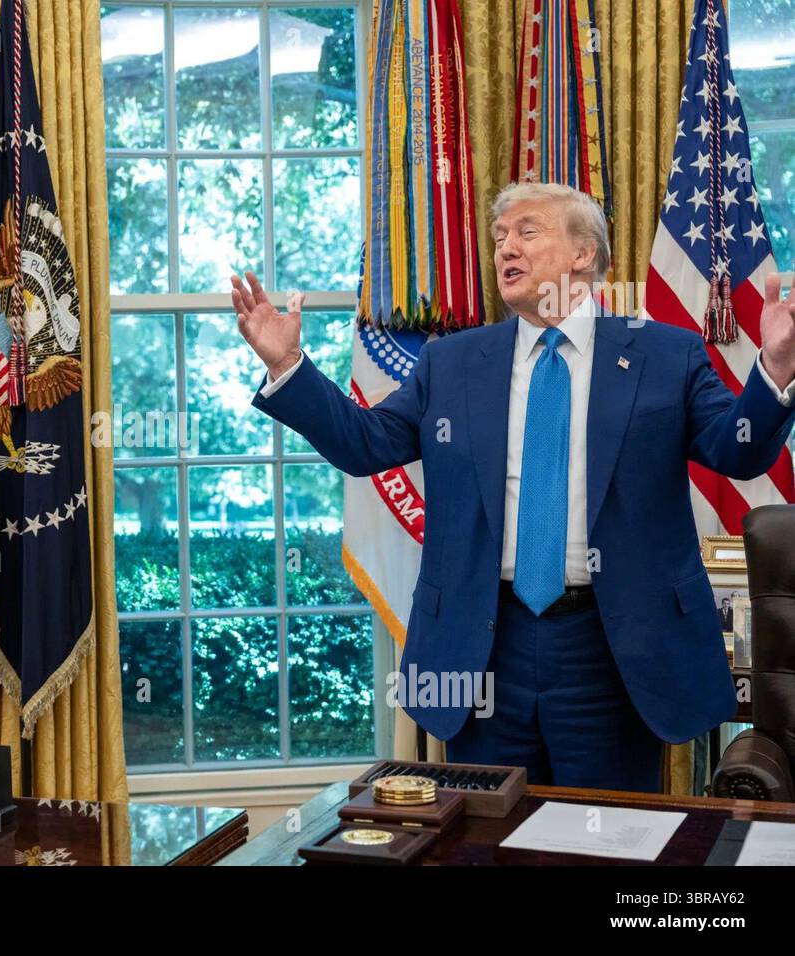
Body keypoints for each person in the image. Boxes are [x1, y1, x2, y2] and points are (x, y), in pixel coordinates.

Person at [234, 182, 795, 792]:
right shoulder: (452, 362)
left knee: (609, 840)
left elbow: (736, 451)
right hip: (482, 650)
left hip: (613, 649)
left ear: (584, 254)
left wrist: (775, 372)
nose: (506, 247)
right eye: (500, 236)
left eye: (528, 231)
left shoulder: (665, 355)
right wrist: (287, 367)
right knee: (487, 839)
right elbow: (364, 443)